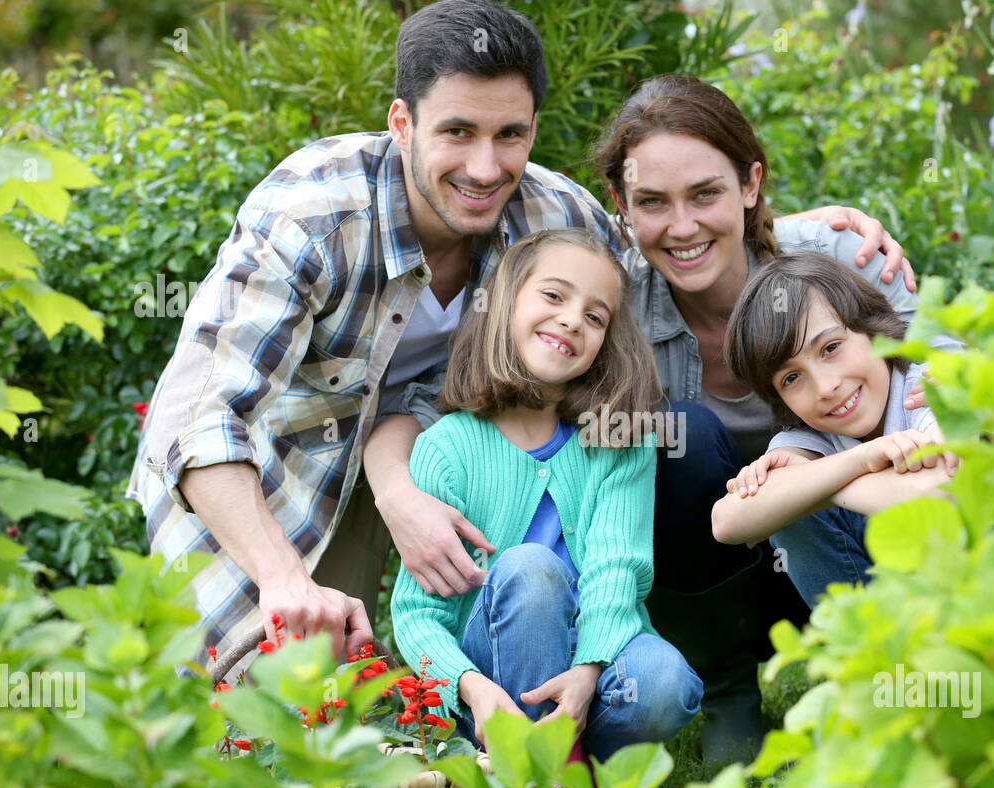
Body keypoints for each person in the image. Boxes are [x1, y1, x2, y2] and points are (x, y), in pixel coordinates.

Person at [126, 0, 906, 681]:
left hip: (460, 476)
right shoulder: (312, 215)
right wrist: (283, 577)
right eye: (457, 132)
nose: (485, 166)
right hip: (283, 477)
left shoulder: (551, 218)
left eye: (510, 135)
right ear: (403, 122)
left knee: (380, 717)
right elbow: (195, 415)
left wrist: (813, 237)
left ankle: (564, 714)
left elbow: (675, 244)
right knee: (260, 720)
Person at [592, 74, 921, 761]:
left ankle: (888, 660)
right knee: (677, 435)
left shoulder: (838, 259)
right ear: (621, 206)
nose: (682, 227)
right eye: (652, 202)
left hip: (859, 535)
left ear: (750, 184)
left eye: (706, 193)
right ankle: (726, 690)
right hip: (715, 556)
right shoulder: (611, 306)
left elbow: (933, 382)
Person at [389, 228, 702, 759]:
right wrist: (472, 687)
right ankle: (536, 782)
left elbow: (615, 567)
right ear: (506, 303)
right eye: (554, 296)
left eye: (595, 316)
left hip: (593, 660)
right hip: (493, 689)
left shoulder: (619, 438)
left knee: (664, 680)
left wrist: (587, 671)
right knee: (531, 568)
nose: (571, 320)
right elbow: (419, 615)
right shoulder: (447, 447)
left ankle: (572, 764)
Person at [712, 250, 994, 607]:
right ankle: (875, 652)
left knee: (794, 499)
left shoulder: (932, 387)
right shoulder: (806, 438)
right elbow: (727, 521)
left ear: (872, 330)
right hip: (944, 615)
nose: (825, 387)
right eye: (791, 378)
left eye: (831, 347)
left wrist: (823, 488)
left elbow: (940, 492)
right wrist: (860, 460)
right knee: (792, 518)